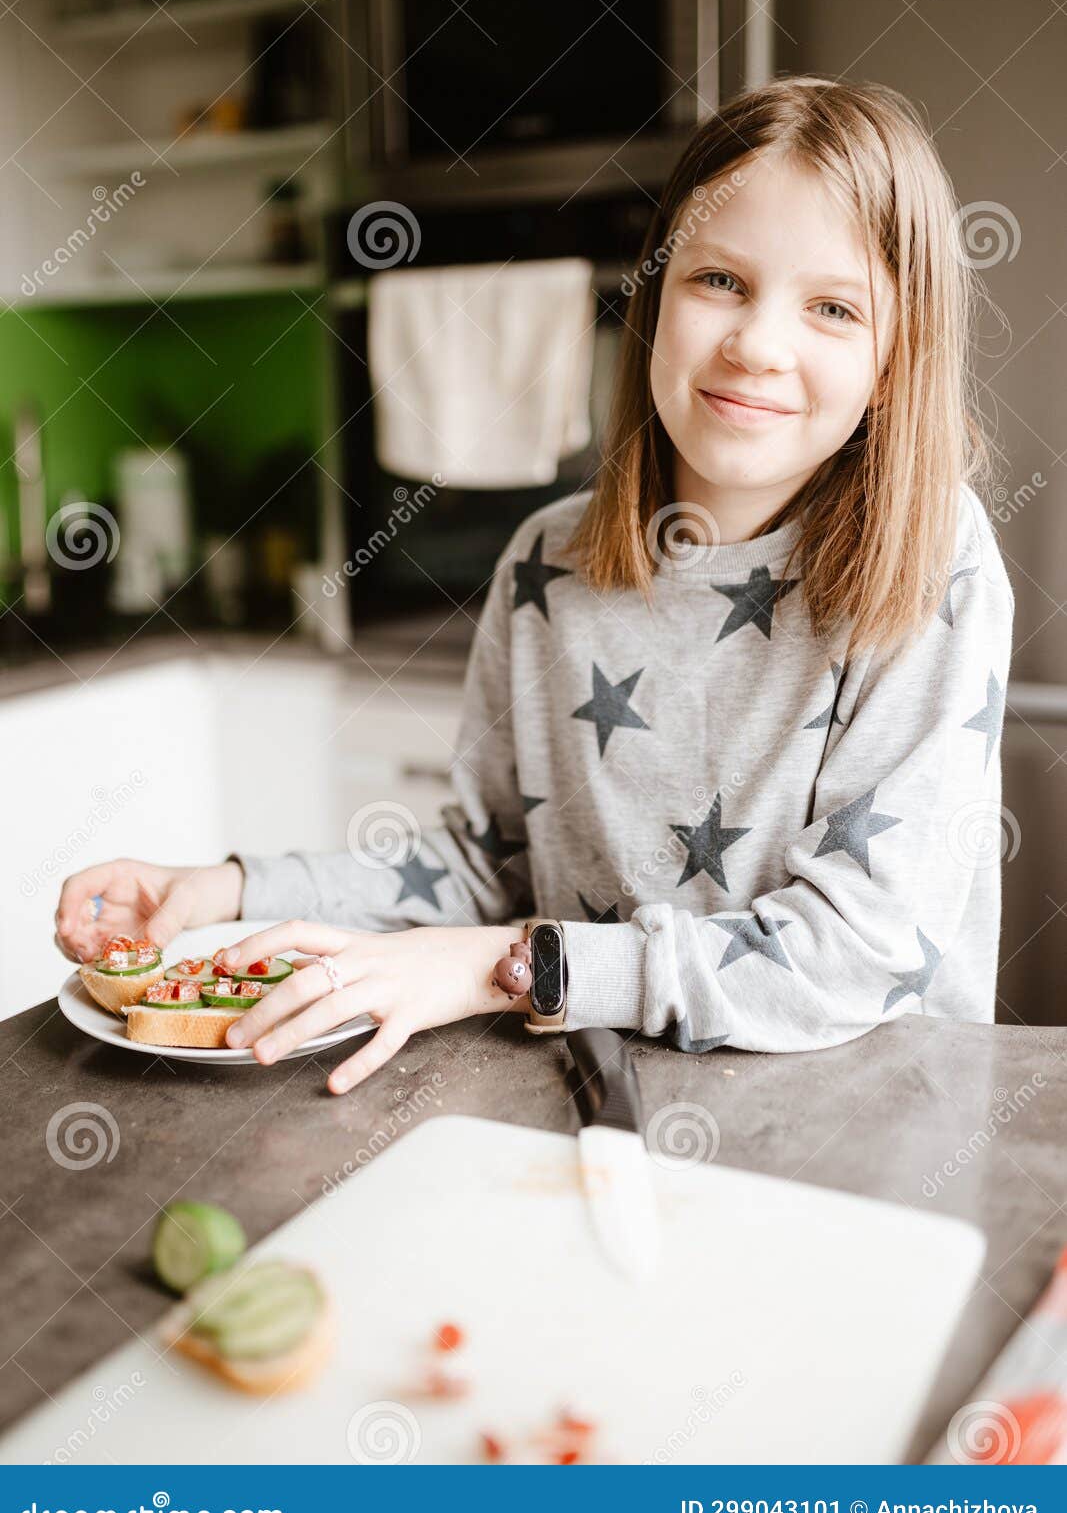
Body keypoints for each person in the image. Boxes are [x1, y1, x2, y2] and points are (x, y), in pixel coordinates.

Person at [55, 76, 1013, 1095]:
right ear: (653, 295)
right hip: (602, 1105)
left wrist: (506, 964)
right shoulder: (542, 564)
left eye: (831, 307)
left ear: (893, 355)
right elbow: (484, 869)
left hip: (863, 1133)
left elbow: (856, 947)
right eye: (718, 281)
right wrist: (226, 889)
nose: (756, 345)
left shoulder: (929, 559)